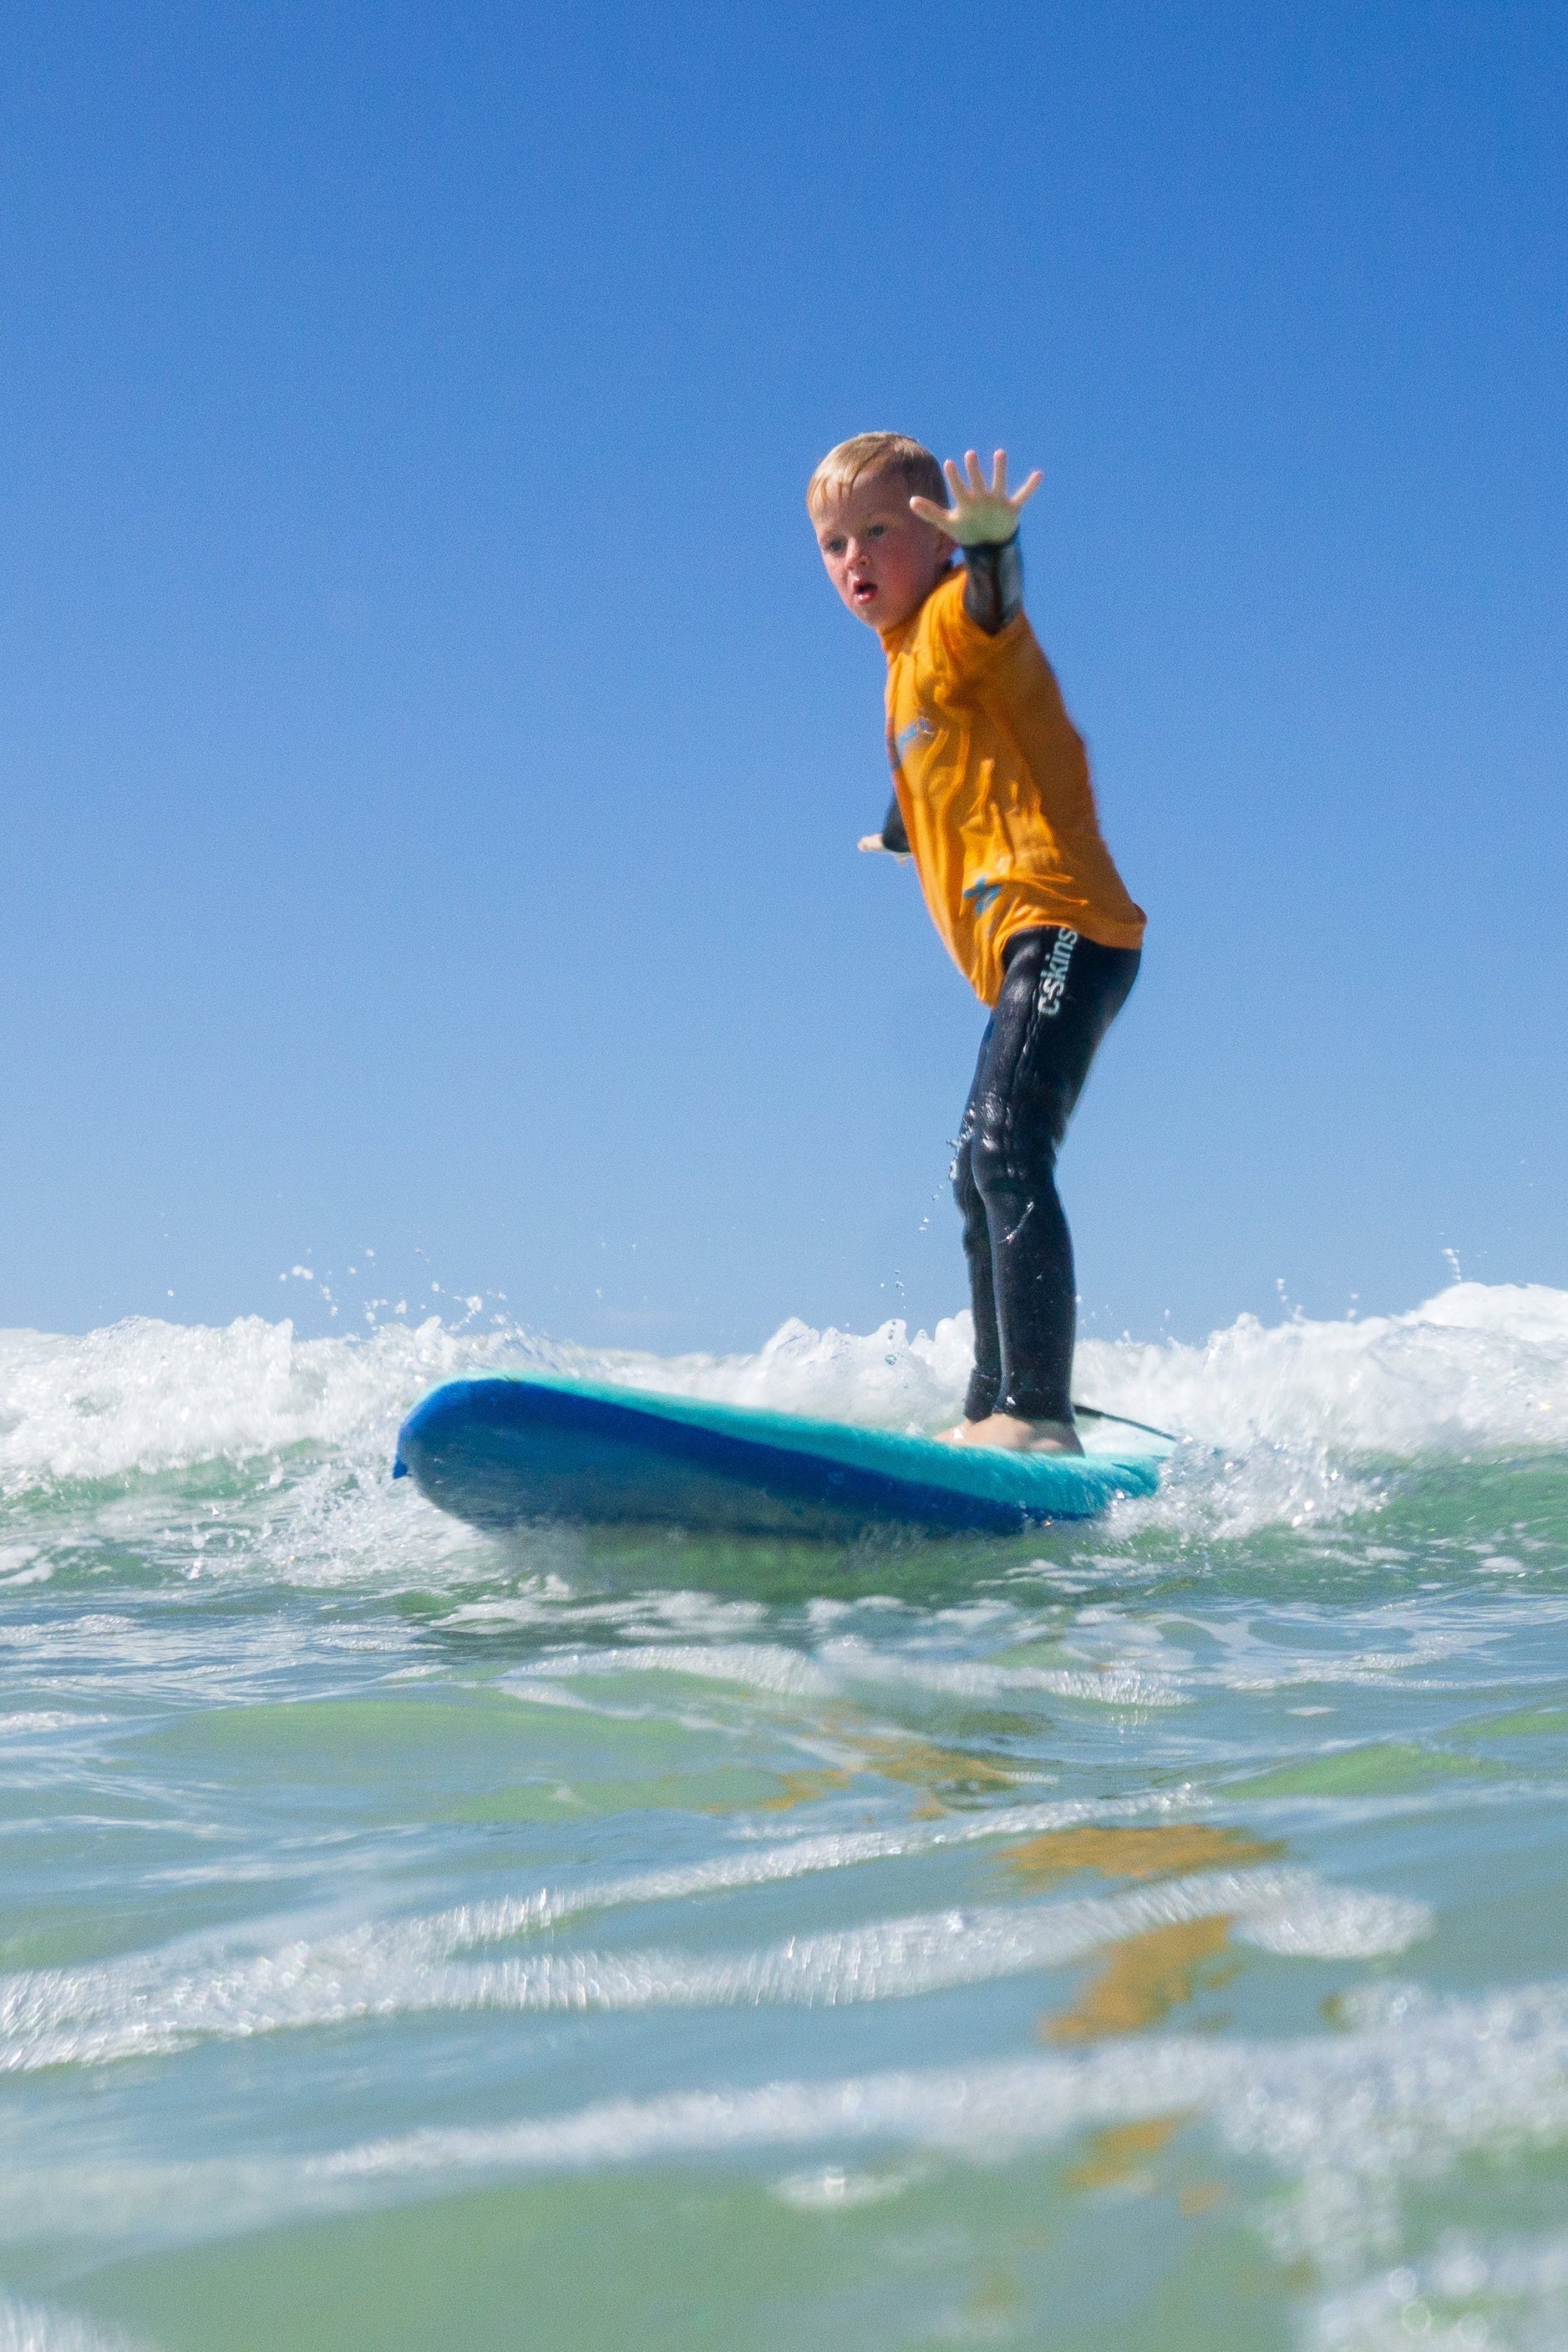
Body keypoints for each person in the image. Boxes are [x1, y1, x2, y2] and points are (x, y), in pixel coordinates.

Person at [808, 432, 1145, 1454]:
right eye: (832, 543)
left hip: (1063, 926)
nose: (854, 556)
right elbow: (933, 761)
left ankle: (1036, 1414)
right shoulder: (901, 667)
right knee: (974, 1169)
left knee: (1007, 1148)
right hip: (1028, 947)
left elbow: (993, 606)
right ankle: (992, 1408)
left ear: (935, 536)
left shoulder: (955, 616)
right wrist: (900, 829)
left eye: (877, 530)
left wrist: (993, 548)